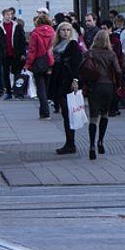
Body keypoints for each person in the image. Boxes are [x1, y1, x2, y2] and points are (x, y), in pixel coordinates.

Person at [80, 30, 121, 160]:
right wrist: (118, 85)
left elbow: (83, 69)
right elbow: (118, 71)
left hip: (94, 87)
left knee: (93, 117)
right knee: (105, 114)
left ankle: (91, 146)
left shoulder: (89, 53)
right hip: (108, 86)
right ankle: (101, 142)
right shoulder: (111, 54)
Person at [50, 22, 83, 155]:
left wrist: (76, 80)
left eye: (68, 30)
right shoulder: (57, 46)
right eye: (63, 30)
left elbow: (76, 63)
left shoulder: (72, 44)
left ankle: (71, 143)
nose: (65, 32)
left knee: (69, 113)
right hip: (59, 80)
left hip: (68, 82)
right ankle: (69, 142)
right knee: (65, 113)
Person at [25, 14, 56, 119]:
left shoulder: (35, 33)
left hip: (39, 63)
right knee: (47, 87)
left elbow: (32, 51)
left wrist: (28, 64)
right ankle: (45, 109)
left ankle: (44, 111)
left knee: (40, 88)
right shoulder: (53, 32)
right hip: (50, 62)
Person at [98, 20, 125, 116]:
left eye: (105, 29)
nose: (103, 31)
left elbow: (118, 55)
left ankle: (114, 108)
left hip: (113, 68)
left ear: (110, 29)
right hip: (104, 69)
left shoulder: (115, 40)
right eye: (101, 29)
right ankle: (111, 108)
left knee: (115, 88)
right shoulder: (100, 41)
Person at [0, 8, 26, 100]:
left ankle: (18, 91)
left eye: (10, 15)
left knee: (17, 72)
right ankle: (8, 92)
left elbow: (22, 40)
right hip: (4, 54)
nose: (9, 16)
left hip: (16, 53)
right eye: (7, 15)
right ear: (3, 16)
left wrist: (23, 53)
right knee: (5, 73)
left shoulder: (17, 26)